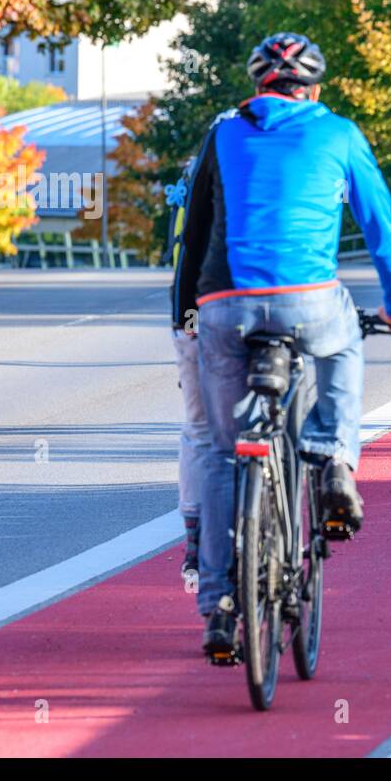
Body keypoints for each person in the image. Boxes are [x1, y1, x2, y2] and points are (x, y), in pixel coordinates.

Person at [171, 31, 391, 655]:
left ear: (258, 87)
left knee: (228, 457)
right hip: (308, 298)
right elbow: (380, 226)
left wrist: (185, 312)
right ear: (314, 89)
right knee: (342, 345)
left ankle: (220, 607)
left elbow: (195, 228)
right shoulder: (340, 134)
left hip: (223, 307)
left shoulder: (224, 133)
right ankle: (334, 456)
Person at [164, 162, 208, 581]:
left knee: (197, 428)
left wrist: (187, 332)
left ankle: (193, 538)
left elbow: (184, 272)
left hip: (198, 315)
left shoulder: (198, 187)